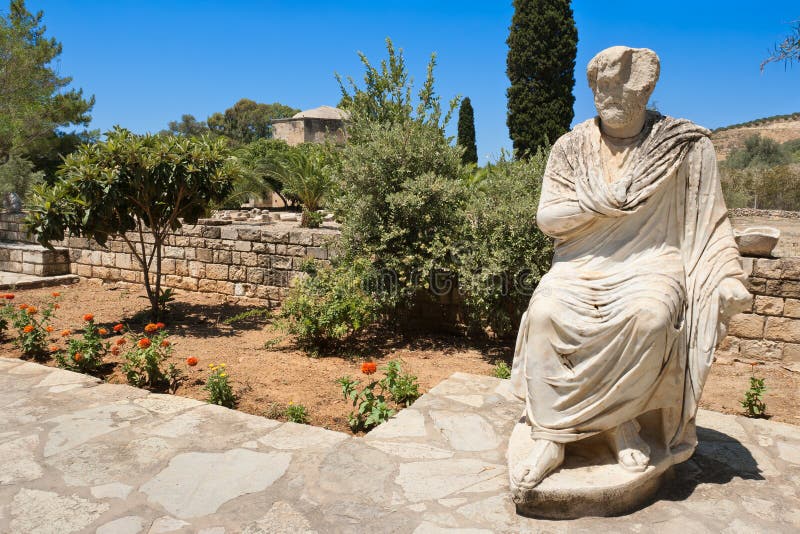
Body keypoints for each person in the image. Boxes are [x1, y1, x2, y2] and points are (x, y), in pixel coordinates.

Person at [509, 46, 751, 491]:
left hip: (652, 264)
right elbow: (548, 218)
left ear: (646, 92)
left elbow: (710, 221)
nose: (609, 99)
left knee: (651, 318)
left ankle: (622, 426)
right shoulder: (571, 147)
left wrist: (728, 277)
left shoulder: (682, 147)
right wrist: (601, 202)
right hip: (580, 264)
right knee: (545, 316)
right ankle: (550, 437)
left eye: (621, 92)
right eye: (601, 91)